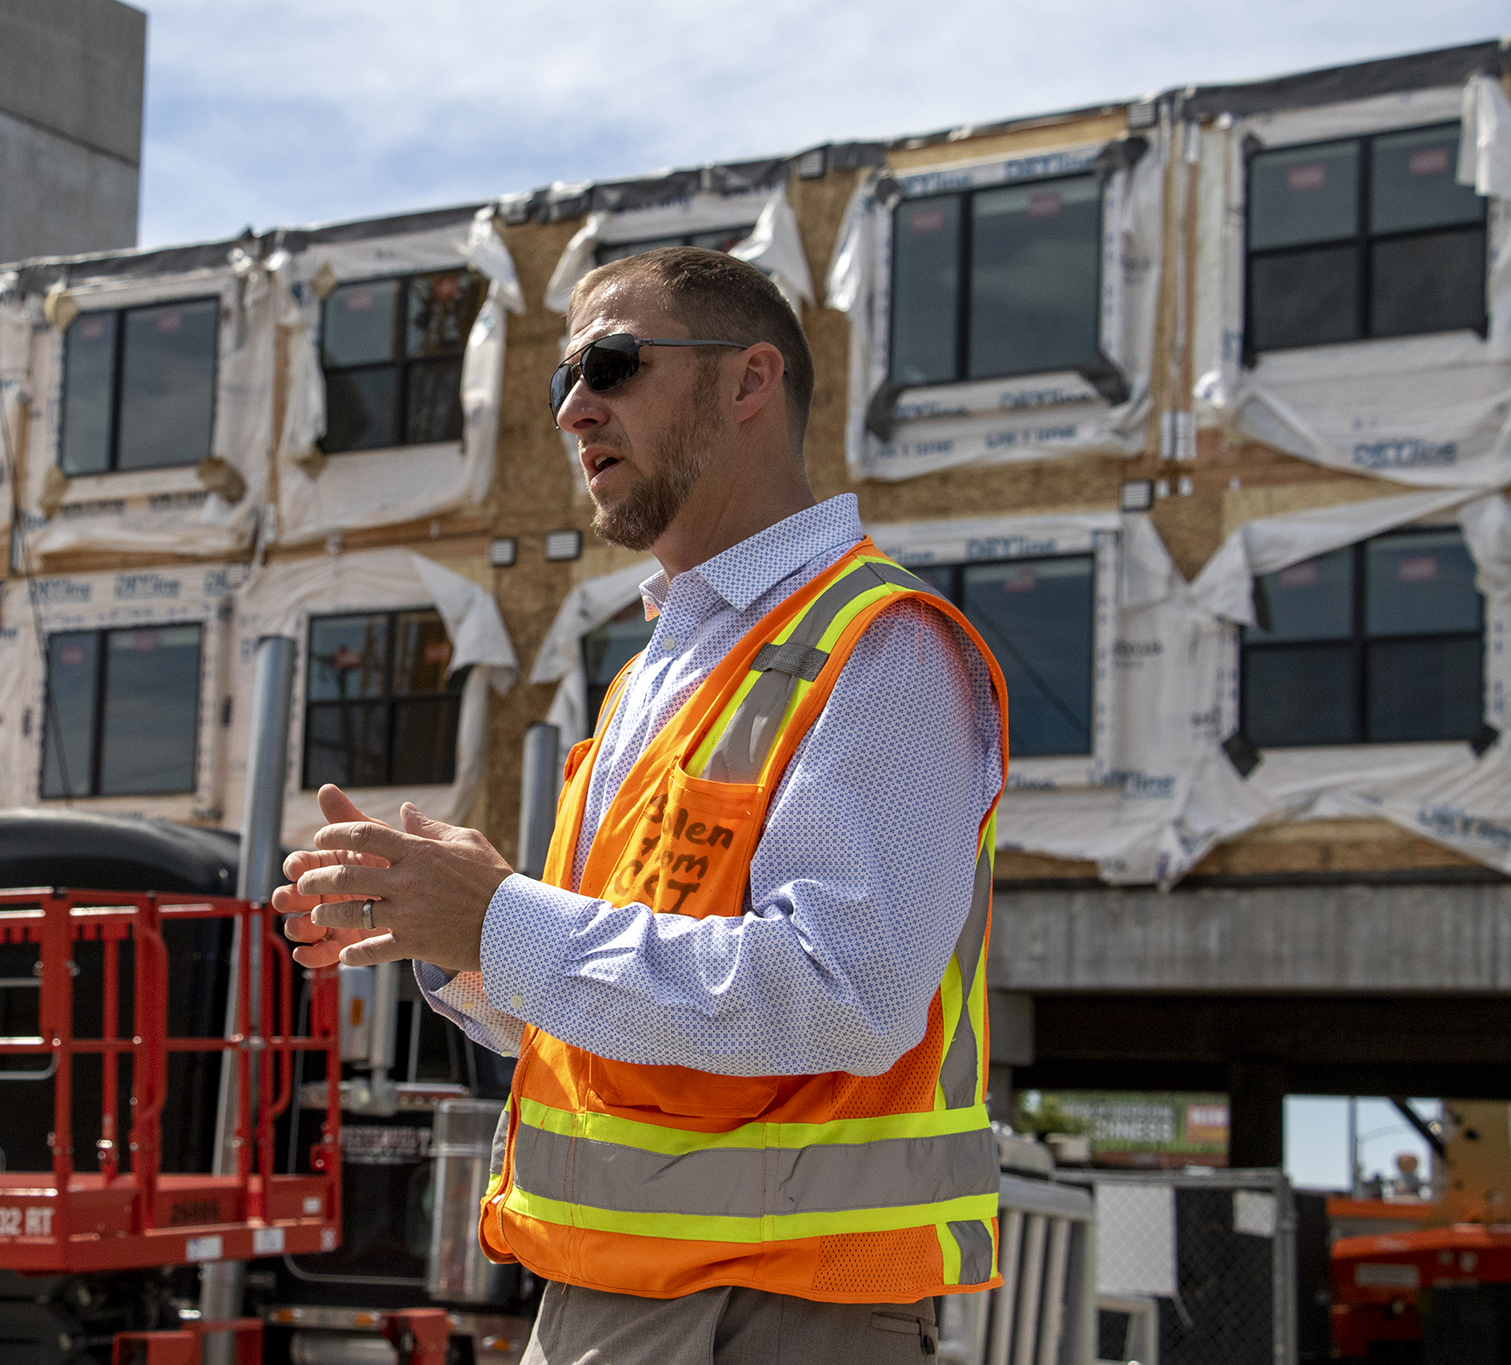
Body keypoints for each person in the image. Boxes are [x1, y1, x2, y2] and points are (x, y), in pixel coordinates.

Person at [274, 246, 1008, 1363]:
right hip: (608, 1297)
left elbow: (845, 997)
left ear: (747, 382)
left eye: (610, 364)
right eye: (561, 380)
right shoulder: (651, 679)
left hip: (773, 1316)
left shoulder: (880, 647)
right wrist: (450, 933)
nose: (574, 409)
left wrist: (501, 919)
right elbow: (615, 1015)